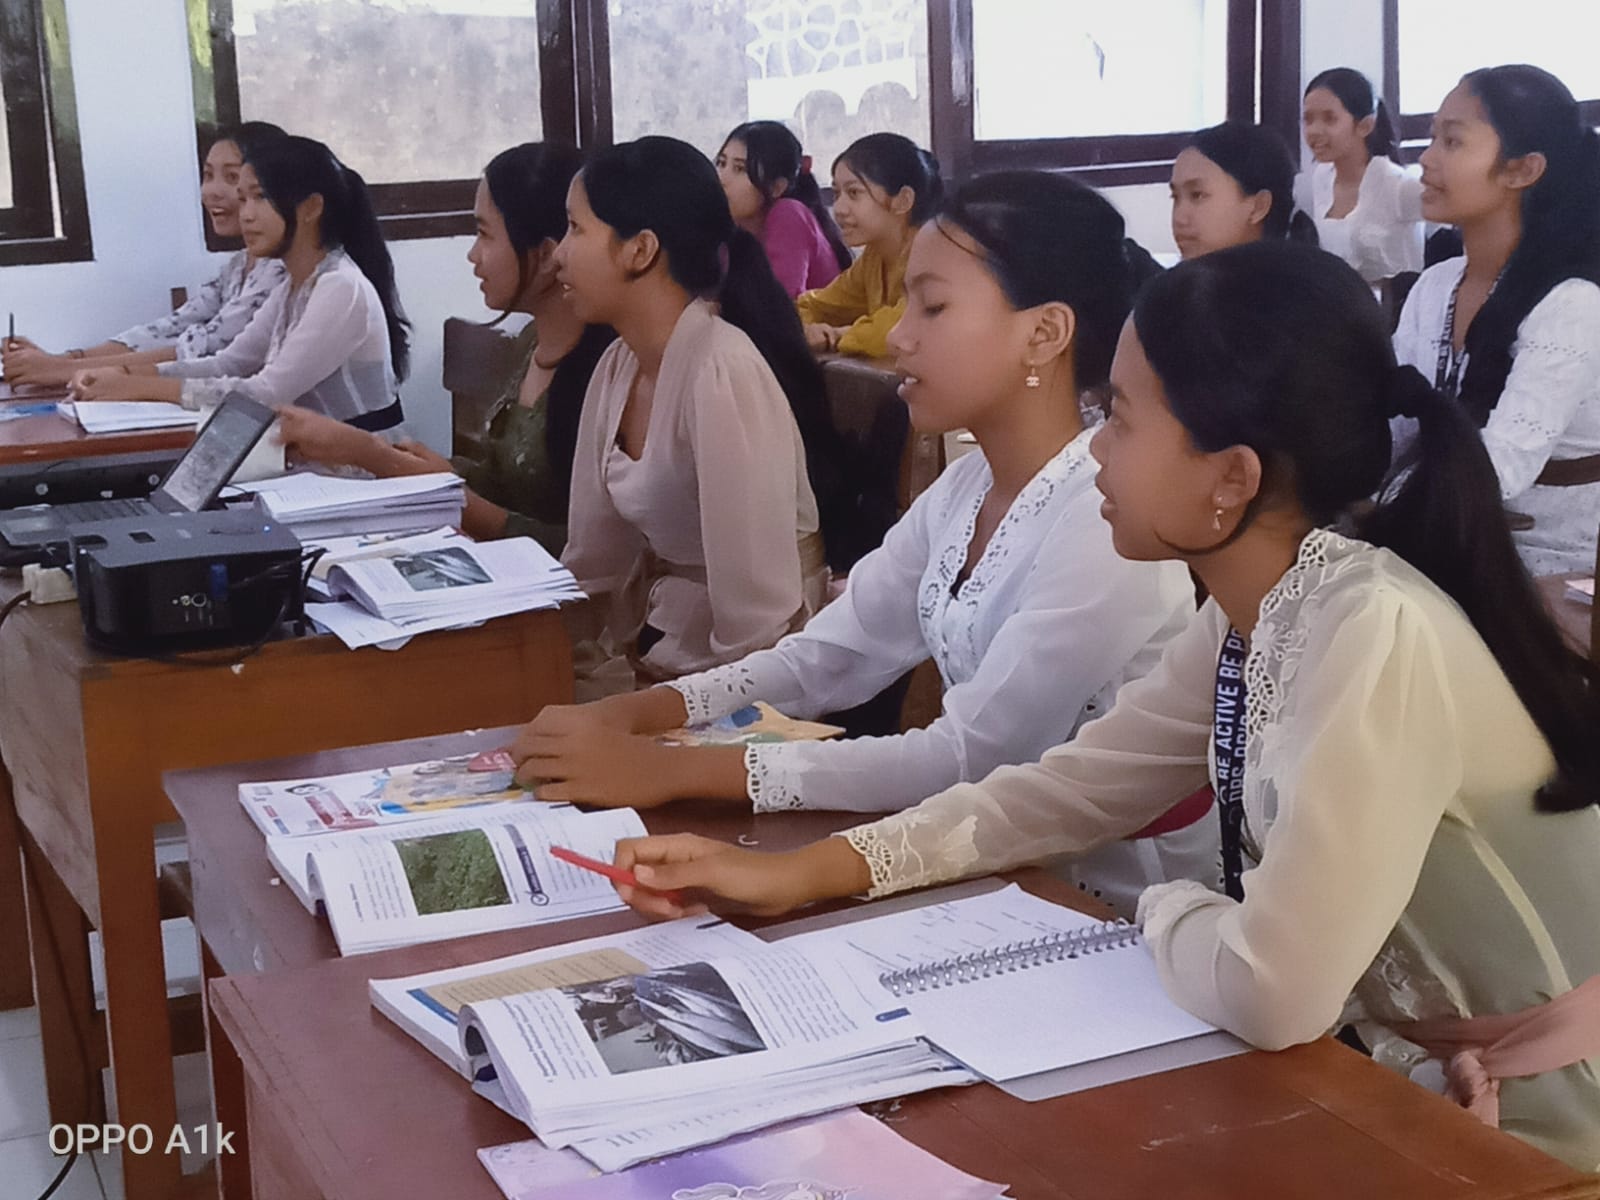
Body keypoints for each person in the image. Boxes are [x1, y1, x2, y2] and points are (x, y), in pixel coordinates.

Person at [607, 242, 1600, 1172]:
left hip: (1545, 1124)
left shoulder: (1367, 629)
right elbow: (1065, 791)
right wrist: (805, 873)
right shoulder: (1261, 612)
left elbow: (1272, 990)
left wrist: (1162, 906)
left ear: (1231, 478)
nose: (1092, 457)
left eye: (1120, 418)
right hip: (1405, 1082)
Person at [510, 172, 1206, 914]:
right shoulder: (966, 488)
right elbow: (825, 657)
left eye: (933, 307)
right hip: (982, 864)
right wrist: (644, 714)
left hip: (1119, 896)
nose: (899, 334)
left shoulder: (1102, 519)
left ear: (1044, 332)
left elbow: (964, 758)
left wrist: (679, 771)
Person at [555, 135, 841, 690]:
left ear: (640, 250)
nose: (560, 253)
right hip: (664, 645)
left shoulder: (720, 370)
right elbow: (593, 562)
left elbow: (757, 624)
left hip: (750, 675)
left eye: (575, 228)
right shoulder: (617, 365)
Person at [276, 143, 615, 550]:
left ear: (544, 255)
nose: (473, 255)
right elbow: (506, 480)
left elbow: (586, 552)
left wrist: (386, 461)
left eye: (484, 234)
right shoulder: (531, 343)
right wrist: (382, 456)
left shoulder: (607, 368)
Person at [1393, 64, 1600, 576]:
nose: (1426, 158)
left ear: (1522, 170)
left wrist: (1382, 503)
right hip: (1456, 539)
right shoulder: (1434, 286)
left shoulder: (1571, 305)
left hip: (1559, 564)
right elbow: (1391, 429)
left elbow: (1498, 472)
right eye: (1432, 137)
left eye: (1452, 141)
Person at [68, 135, 410, 434]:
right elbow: (227, 364)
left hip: (360, 474)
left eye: (260, 197)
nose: (246, 214)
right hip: (309, 463)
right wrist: (122, 371)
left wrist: (134, 386)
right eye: (243, 199)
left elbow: (264, 394)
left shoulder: (340, 287)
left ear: (310, 208)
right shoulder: (296, 284)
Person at [2, 123, 289, 385]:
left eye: (232, 177)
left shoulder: (281, 268)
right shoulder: (238, 265)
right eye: (207, 174)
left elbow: (209, 349)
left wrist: (62, 370)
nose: (212, 191)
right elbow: (167, 329)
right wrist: (62, 360)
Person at [795, 132, 941, 357]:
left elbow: (903, 327)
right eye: (836, 194)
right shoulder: (873, 259)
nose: (840, 209)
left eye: (854, 193)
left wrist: (836, 335)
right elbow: (811, 306)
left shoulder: (937, 255)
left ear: (902, 200)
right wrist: (807, 330)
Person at [1295, 68, 1424, 284]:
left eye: (1330, 119)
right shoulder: (1322, 177)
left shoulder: (1398, 184)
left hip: (1393, 311)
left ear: (1365, 125)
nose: (1314, 131)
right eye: (1308, 120)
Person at [714, 120, 849, 298]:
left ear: (776, 188)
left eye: (740, 169)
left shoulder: (788, 214)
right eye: (722, 164)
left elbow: (778, 305)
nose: (722, 179)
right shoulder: (733, 225)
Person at [1170, 122, 1316, 260]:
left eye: (1197, 195)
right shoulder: (1182, 283)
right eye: (1175, 197)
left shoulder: (1292, 285)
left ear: (1259, 206)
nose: (1179, 219)